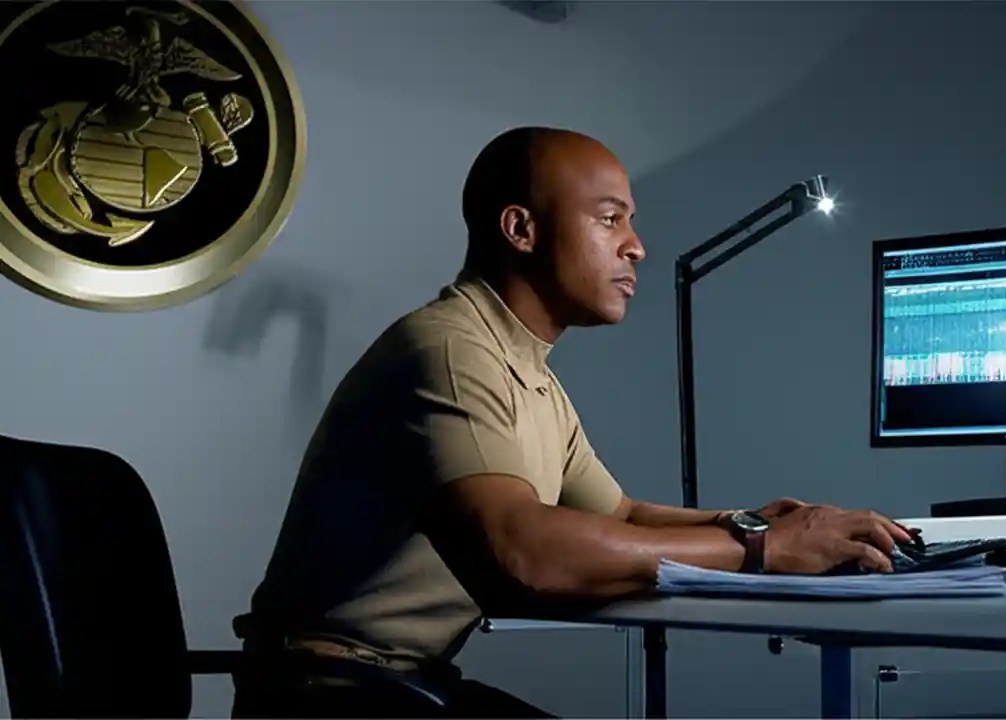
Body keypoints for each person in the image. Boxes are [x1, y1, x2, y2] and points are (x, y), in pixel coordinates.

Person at [232, 126, 913, 718]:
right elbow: (522, 553)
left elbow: (620, 514)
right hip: (327, 693)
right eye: (611, 219)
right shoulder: (448, 351)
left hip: (407, 684)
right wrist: (763, 552)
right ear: (521, 229)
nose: (637, 247)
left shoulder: (529, 374)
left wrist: (754, 522)